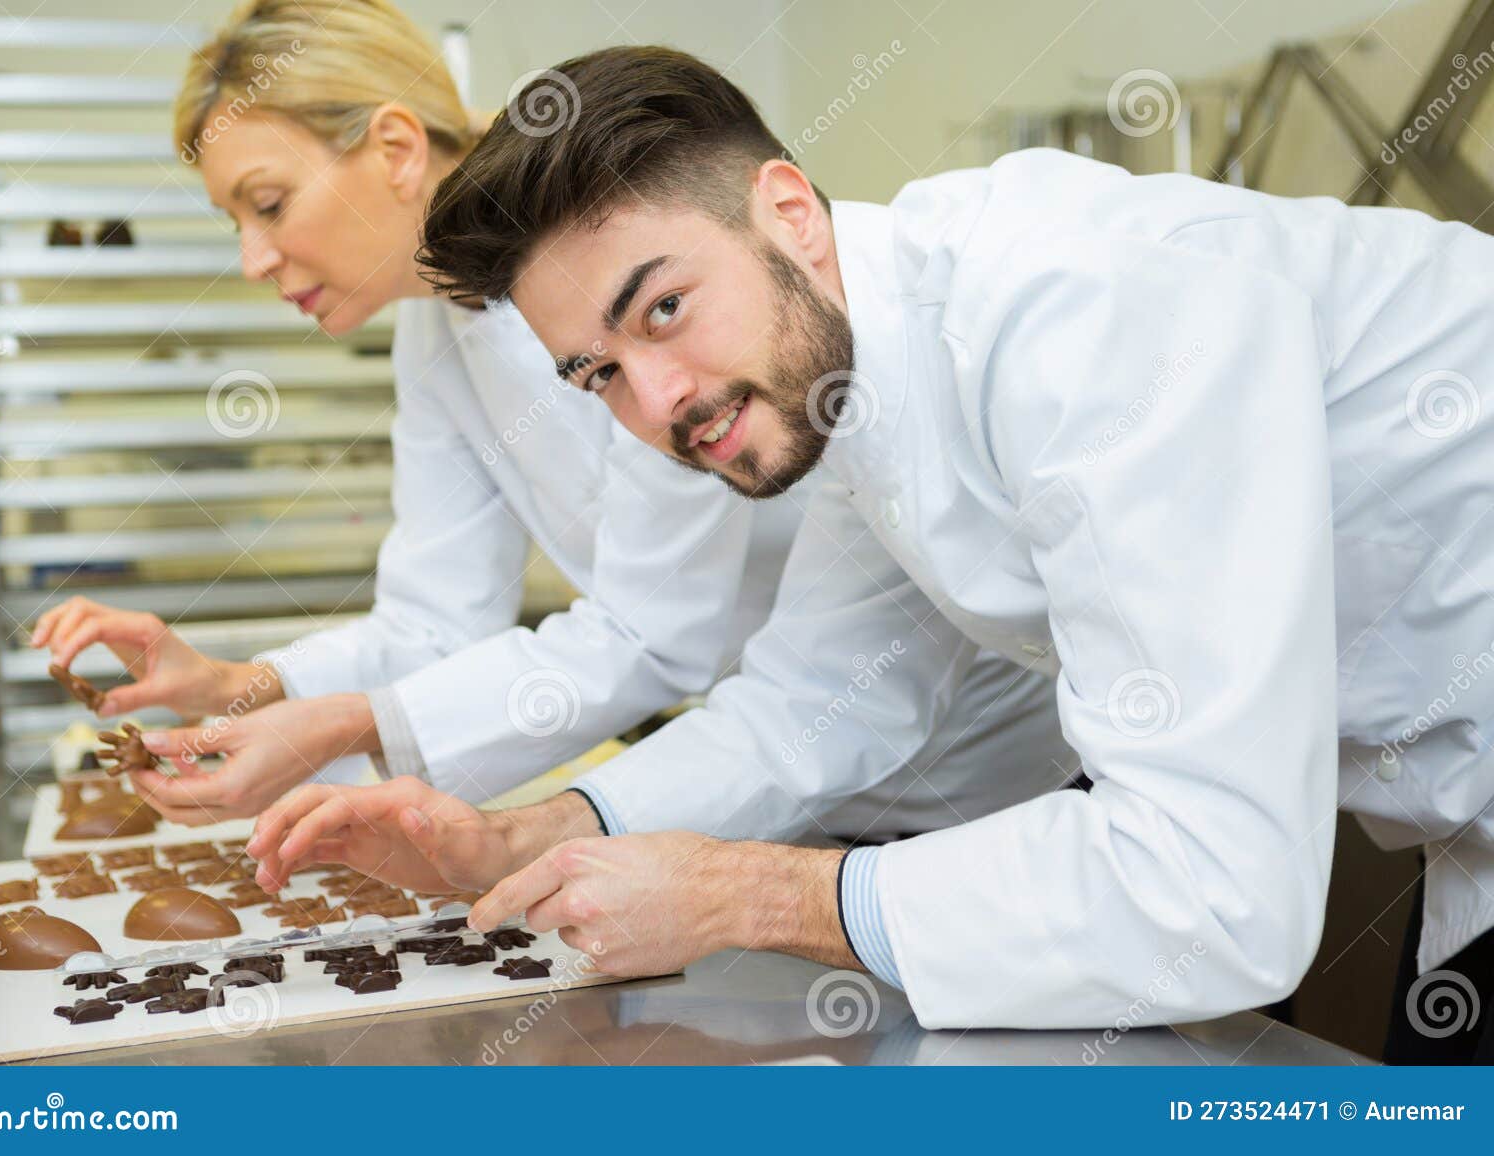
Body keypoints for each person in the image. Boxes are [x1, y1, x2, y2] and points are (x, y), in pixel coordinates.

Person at [255, 45, 1494, 1051]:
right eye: (597, 373)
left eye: (664, 309)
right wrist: (535, 838)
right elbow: (812, 703)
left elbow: (1211, 885)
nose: (657, 403)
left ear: (786, 211)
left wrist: (749, 891)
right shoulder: (856, 383)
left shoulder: (1089, 317)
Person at [34, 4, 1070, 843]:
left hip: (957, 769)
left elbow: (645, 634)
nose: (254, 258)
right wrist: (243, 686)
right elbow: (435, 623)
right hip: (756, 768)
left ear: (394, 147)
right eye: (233, 223)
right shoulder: (433, 335)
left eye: (267, 201)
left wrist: (348, 728)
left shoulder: (607, 279)